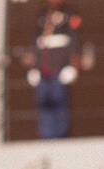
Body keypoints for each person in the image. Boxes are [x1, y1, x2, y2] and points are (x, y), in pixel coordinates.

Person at [25, 0, 82, 140]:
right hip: (44, 71)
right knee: (44, 106)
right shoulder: (42, 15)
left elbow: (75, 41)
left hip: (60, 69)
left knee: (60, 106)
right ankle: (46, 137)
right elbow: (36, 43)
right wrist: (33, 68)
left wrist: (73, 66)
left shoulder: (70, 14)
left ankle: (61, 137)